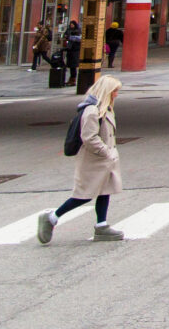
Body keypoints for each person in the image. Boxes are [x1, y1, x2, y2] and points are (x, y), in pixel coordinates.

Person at [37, 76, 125, 244]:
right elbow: (89, 137)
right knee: (83, 195)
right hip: (94, 160)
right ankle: (52, 217)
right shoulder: (92, 111)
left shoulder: (104, 109)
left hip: (104, 161)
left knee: (104, 191)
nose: (116, 94)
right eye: (114, 91)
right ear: (106, 91)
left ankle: (101, 225)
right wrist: (106, 152)